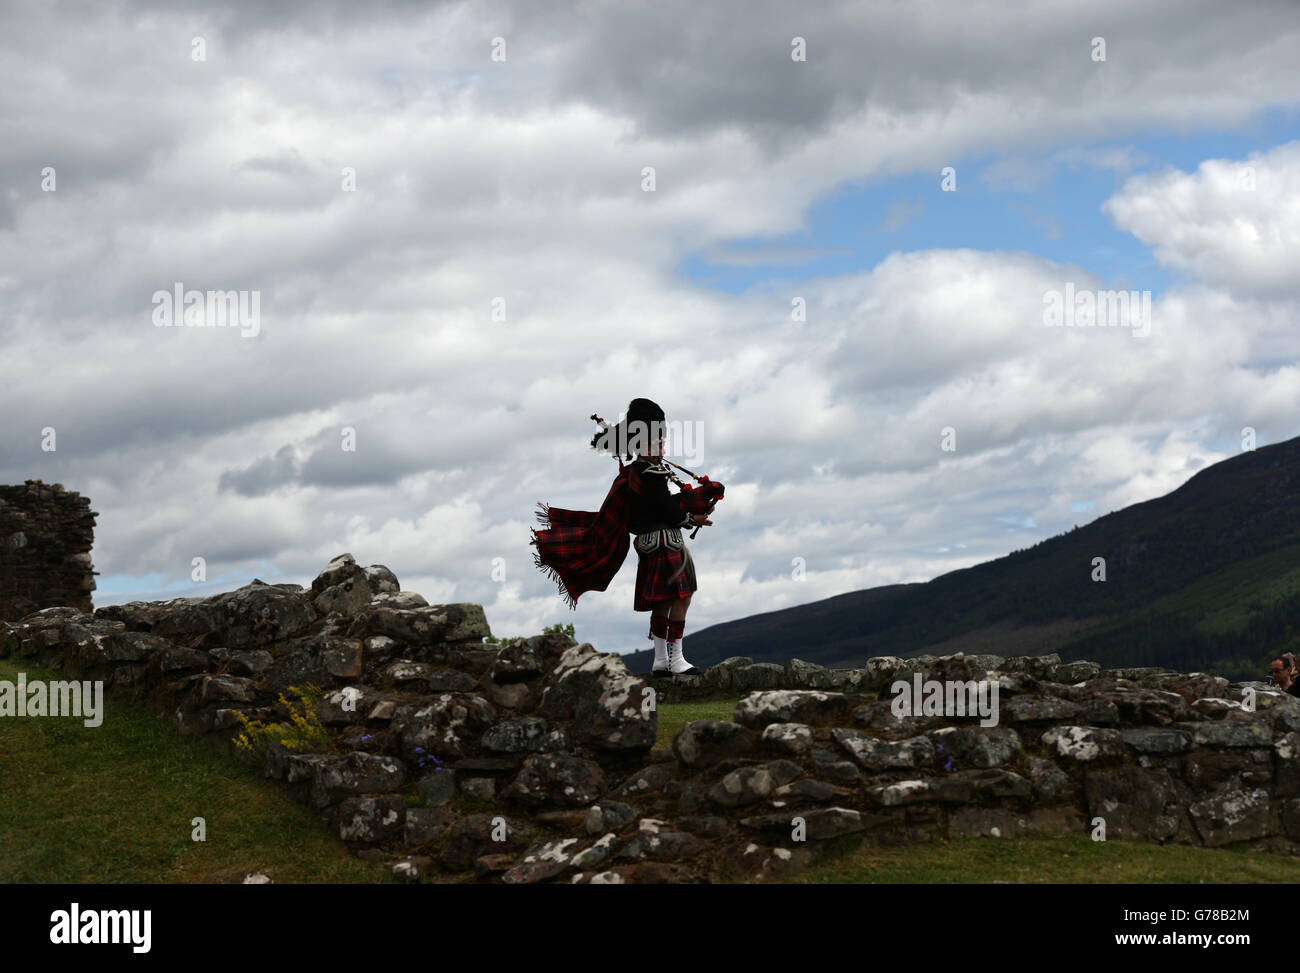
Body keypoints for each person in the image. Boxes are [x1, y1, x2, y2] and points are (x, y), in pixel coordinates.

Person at [529, 397, 723, 677]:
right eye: (658, 440)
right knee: (680, 597)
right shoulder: (649, 472)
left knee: (666, 601)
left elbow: (662, 505)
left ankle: (661, 661)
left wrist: (697, 500)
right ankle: (675, 659)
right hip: (663, 541)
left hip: (653, 542)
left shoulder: (638, 472)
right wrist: (693, 518)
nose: (663, 445)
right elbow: (664, 508)